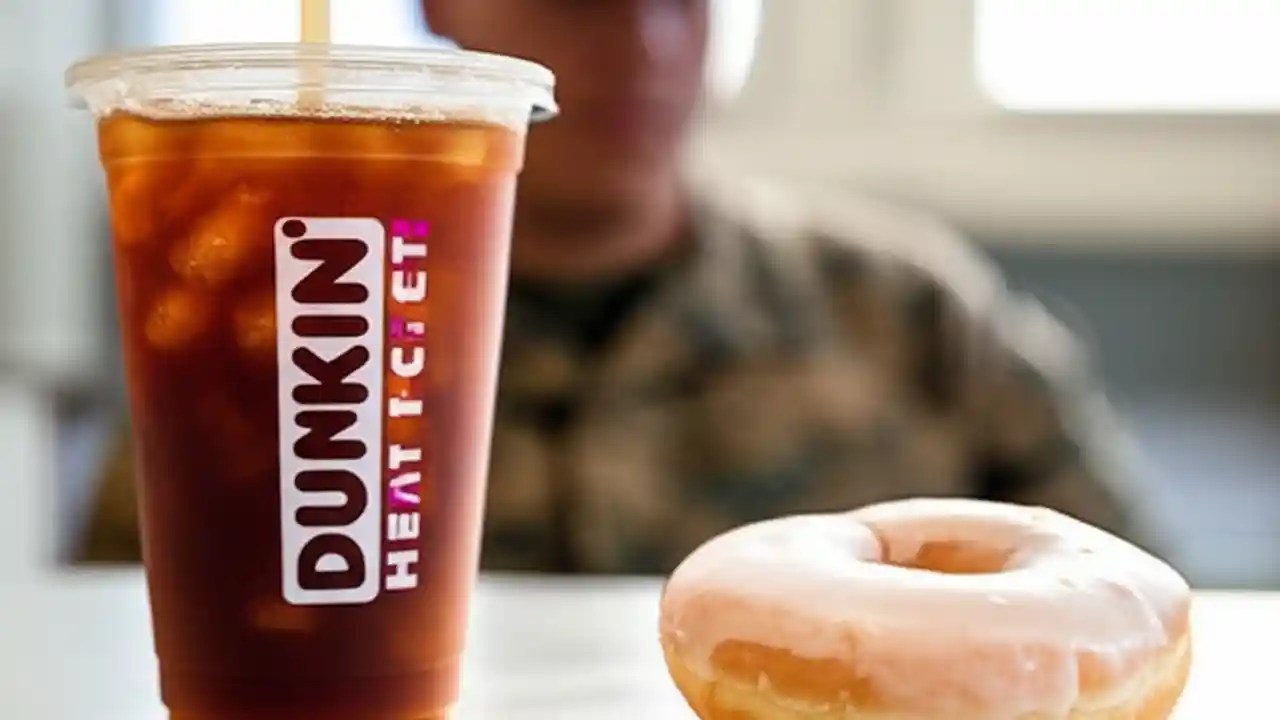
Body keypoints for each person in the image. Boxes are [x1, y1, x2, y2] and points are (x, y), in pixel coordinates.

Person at [80, 0, 1161, 573]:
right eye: (578, 1)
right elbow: (109, 625)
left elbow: (1139, 605)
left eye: (681, 3)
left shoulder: (906, 312)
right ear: (446, 14)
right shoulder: (296, 333)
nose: (643, 46)